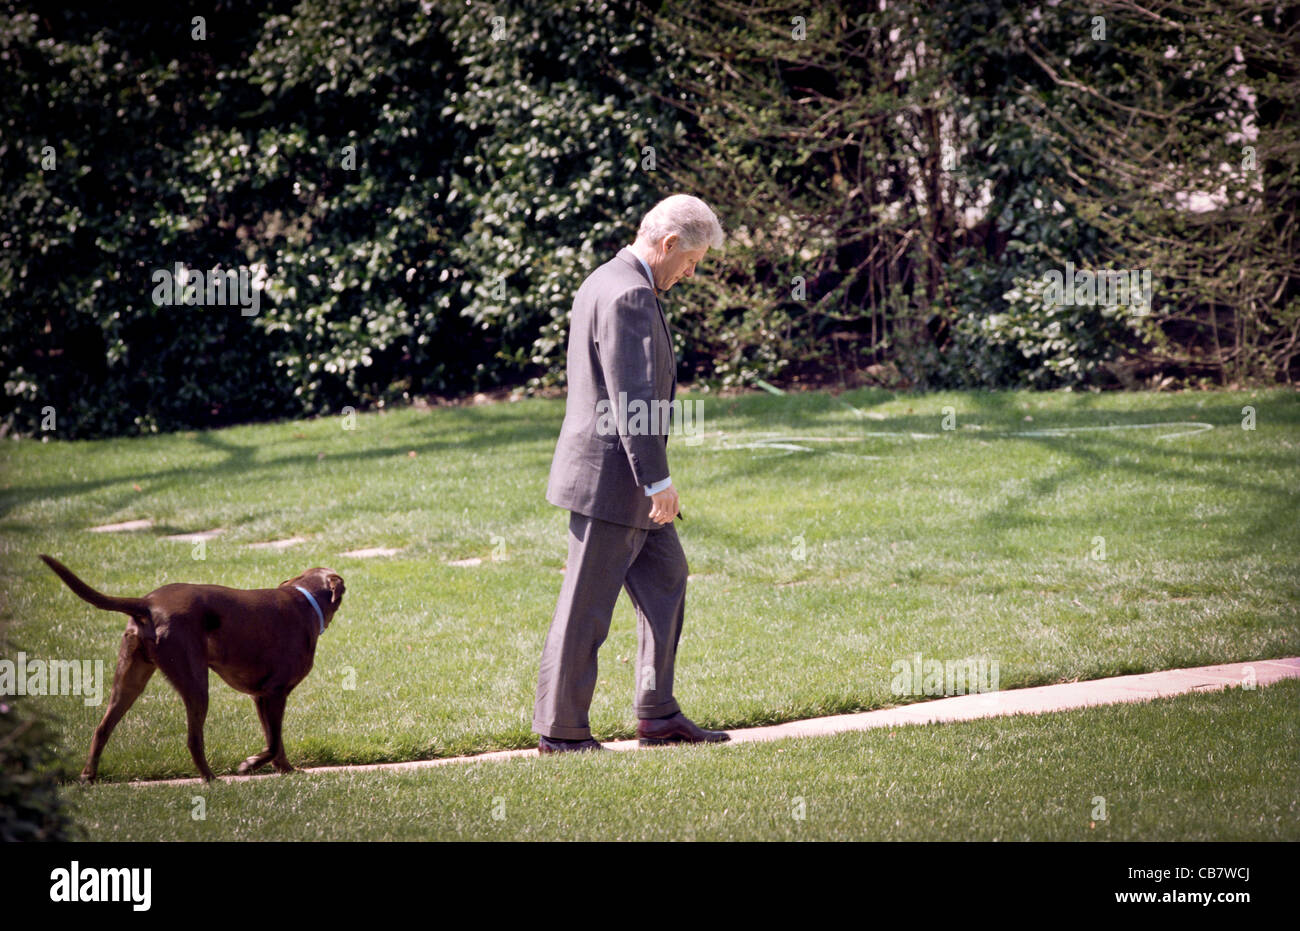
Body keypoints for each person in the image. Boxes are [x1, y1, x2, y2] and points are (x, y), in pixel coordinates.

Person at [532, 194, 731, 753]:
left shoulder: (606, 277)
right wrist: (657, 482)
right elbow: (633, 397)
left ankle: (657, 713)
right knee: (586, 609)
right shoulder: (630, 294)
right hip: (613, 483)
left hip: (621, 480)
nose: (691, 273)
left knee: (668, 580)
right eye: (691, 261)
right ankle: (561, 732)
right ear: (668, 245)